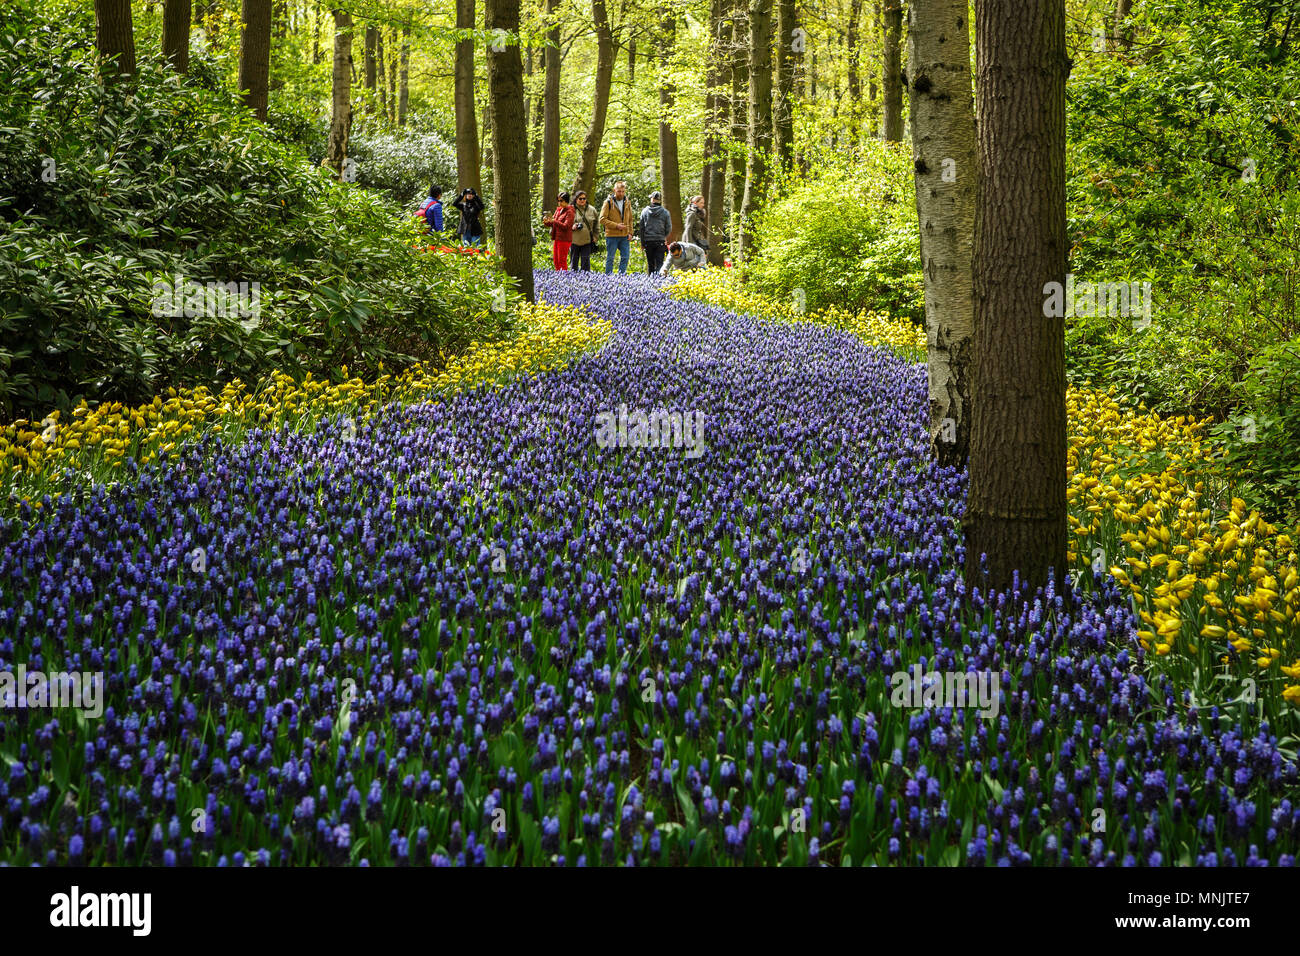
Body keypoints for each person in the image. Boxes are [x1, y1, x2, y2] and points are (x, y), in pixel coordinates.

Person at [599, 181, 635, 274]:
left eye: (623, 191)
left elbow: (630, 219)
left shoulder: (627, 202)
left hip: (624, 236)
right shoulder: (608, 202)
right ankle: (608, 279)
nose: (621, 193)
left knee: (625, 258)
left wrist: (630, 232)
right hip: (612, 235)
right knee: (610, 258)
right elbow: (602, 219)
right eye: (619, 191)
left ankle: (621, 278)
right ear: (614, 190)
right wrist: (616, 225)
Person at [638, 191, 672, 275]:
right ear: (659, 200)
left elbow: (641, 228)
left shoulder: (645, 211)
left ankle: (651, 283)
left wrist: (642, 243)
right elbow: (669, 228)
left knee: (650, 264)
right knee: (660, 264)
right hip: (660, 241)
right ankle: (659, 283)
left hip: (648, 241)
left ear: (652, 199)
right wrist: (663, 236)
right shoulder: (665, 212)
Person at [542, 191, 575, 270]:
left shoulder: (570, 212)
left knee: (561, 261)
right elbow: (553, 224)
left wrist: (554, 221)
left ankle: (565, 279)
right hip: (556, 238)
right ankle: (558, 278)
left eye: (561, 201)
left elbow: (566, 226)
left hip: (564, 239)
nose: (559, 202)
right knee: (556, 261)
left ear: (566, 201)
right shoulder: (558, 210)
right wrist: (547, 222)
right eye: (558, 200)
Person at [569, 191, 599, 272]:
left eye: (584, 198)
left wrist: (596, 237)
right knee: (573, 264)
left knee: (585, 265)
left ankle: (585, 283)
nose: (582, 200)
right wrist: (572, 227)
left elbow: (597, 225)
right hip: (574, 240)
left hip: (587, 240)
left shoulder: (592, 210)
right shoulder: (570, 209)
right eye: (580, 198)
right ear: (576, 199)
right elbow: (565, 224)